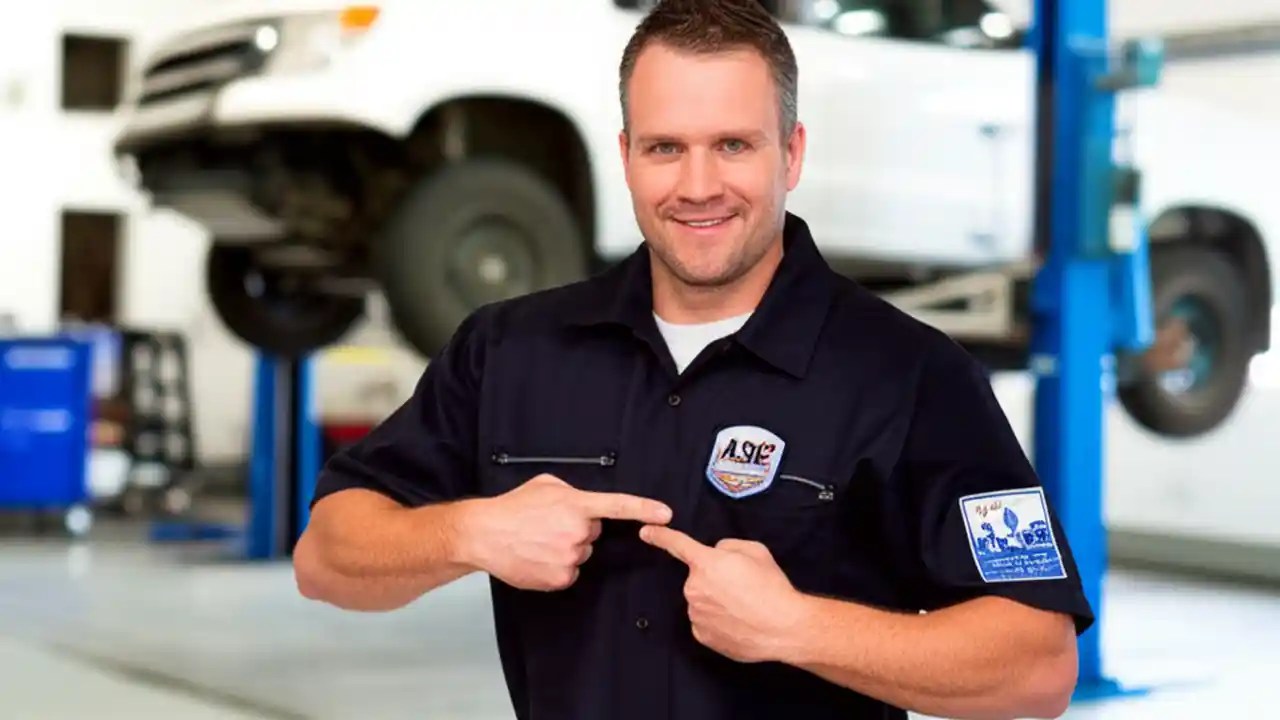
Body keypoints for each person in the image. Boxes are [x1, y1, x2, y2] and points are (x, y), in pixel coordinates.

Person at [293, 1, 1094, 718]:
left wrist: (798, 627)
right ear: (627, 154)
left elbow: (1036, 667)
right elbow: (327, 556)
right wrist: (469, 532)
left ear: (792, 152)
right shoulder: (510, 351)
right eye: (666, 147)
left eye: (733, 145)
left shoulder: (911, 376)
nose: (699, 185)